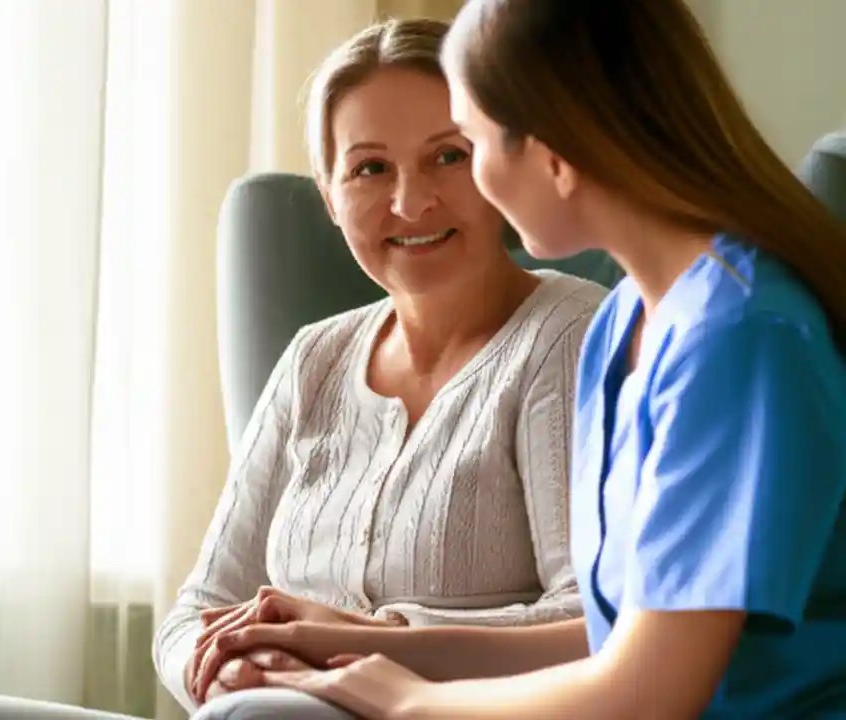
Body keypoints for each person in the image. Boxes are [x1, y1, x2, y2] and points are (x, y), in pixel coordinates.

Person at [193, 1, 846, 718]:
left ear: (554, 150)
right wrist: (356, 643)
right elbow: (612, 641)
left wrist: (409, 701)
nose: (434, 197)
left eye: (464, 146)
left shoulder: (743, 338)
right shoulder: (629, 318)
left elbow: (652, 694)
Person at [155, 17, 607, 717]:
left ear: (497, 161)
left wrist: (365, 639)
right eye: (369, 168)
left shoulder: (567, 335)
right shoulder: (313, 359)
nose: (410, 202)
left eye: (448, 157)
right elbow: (197, 610)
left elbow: (594, 620)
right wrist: (226, 669)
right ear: (330, 194)